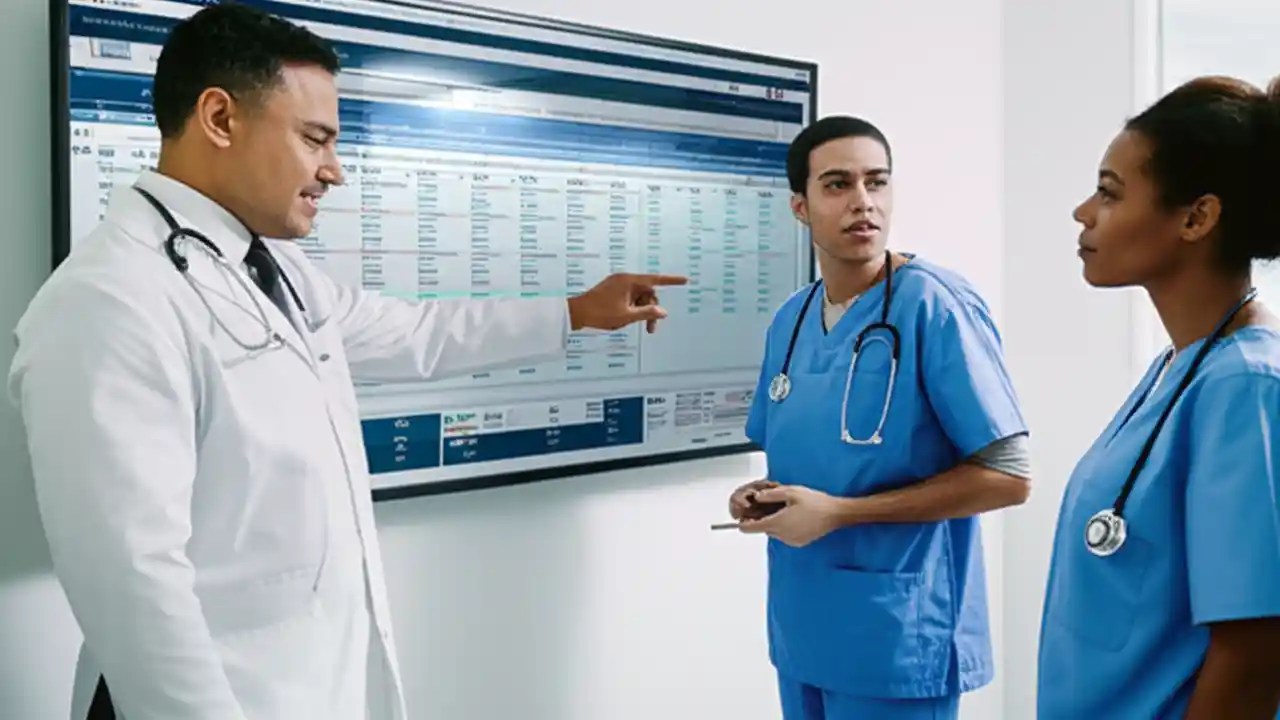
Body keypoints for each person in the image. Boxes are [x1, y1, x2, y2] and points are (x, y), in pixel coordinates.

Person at [7, 4, 685, 720]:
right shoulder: (109, 302)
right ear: (219, 117)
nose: (334, 171)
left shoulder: (273, 271)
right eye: (314, 139)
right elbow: (132, 591)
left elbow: (416, 333)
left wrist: (575, 312)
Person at [723, 115, 1033, 720]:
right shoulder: (791, 319)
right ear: (800, 207)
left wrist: (841, 513)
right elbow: (816, 459)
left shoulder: (934, 305)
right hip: (803, 626)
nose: (863, 202)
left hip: (899, 635)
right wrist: (763, 496)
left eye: (877, 182)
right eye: (837, 185)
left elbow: (1011, 477)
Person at [1037, 75, 1280, 720]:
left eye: (1110, 193)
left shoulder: (1246, 388)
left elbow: (1255, 657)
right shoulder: (1180, 367)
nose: (1083, 212)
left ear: (1197, 217)